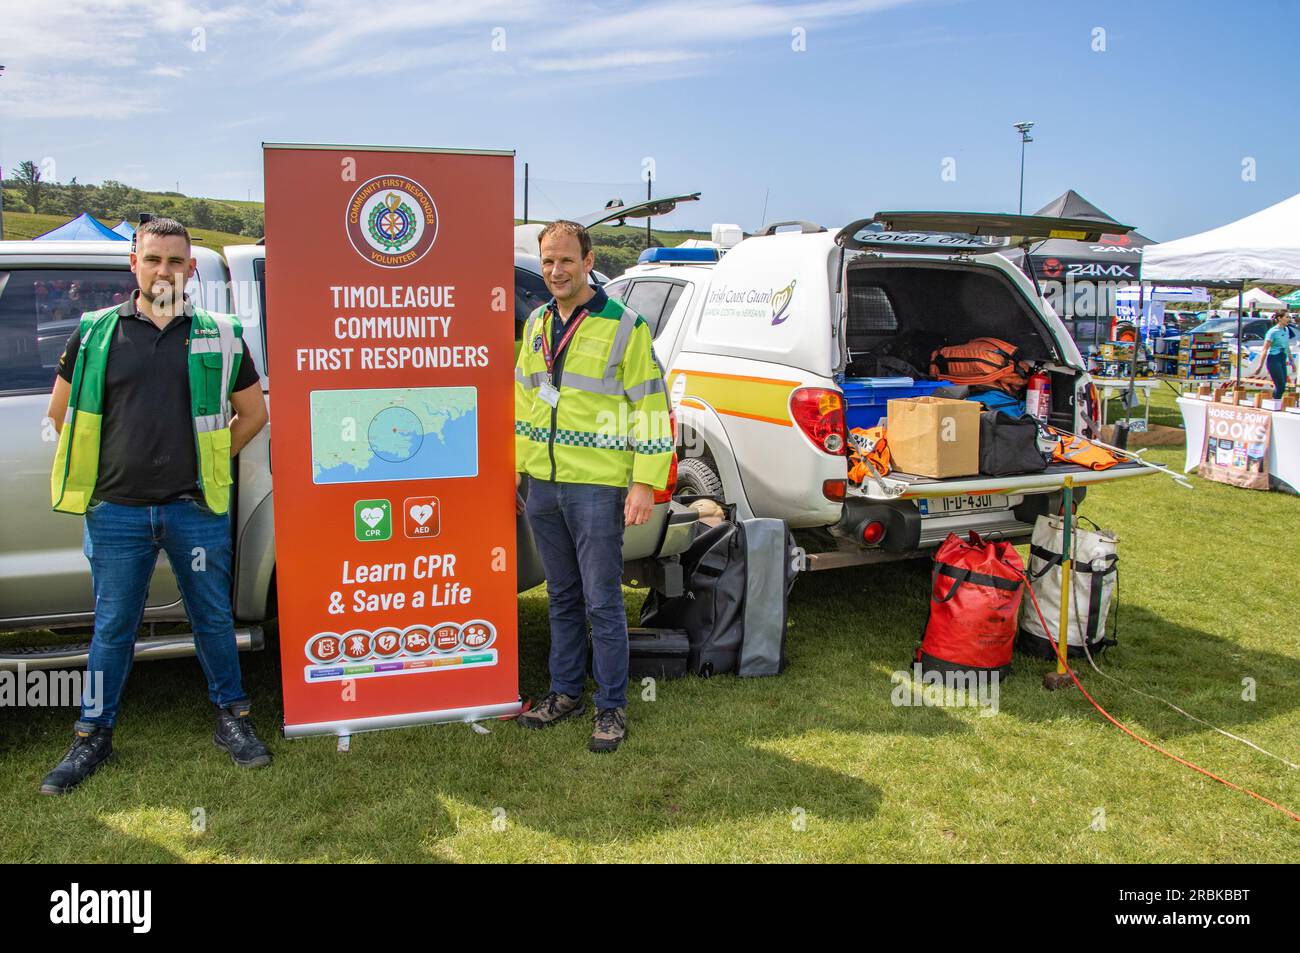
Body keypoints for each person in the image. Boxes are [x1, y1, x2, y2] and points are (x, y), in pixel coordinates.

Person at [40, 217, 272, 795]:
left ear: (191, 269)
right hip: (116, 511)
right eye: (153, 259)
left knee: (212, 620)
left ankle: (233, 718)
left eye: (175, 261)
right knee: (113, 627)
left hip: (193, 508)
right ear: (134, 266)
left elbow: (254, 414)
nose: (163, 270)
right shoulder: (94, 333)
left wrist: (206, 460)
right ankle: (92, 734)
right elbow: (59, 414)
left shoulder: (220, 332)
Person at [513, 220, 673, 753]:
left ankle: (610, 708)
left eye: (566, 261)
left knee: (602, 601)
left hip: (599, 487)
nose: (556, 271)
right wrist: (520, 466)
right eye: (548, 261)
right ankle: (564, 695)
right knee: (560, 595)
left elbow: (651, 407)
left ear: (588, 261)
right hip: (544, 484)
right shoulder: (536, 321)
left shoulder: (626, 325)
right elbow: (524, 399)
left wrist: (645, 483)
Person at [1257, 311, 1296, 399]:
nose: (1289, 319)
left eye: (1289, 317)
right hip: (1274, 360)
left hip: (1282, 359)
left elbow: (1287, 347)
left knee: (1282, 385)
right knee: (1280, 386)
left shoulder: (1286, 330)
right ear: (1279, 318)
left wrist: (1292, 362)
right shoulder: (1272, 332)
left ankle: (1274, 402)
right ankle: (1275, 403)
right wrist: (1260, 366)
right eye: (1286, 317)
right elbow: (1265, 349)